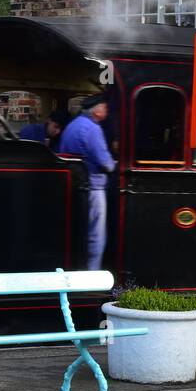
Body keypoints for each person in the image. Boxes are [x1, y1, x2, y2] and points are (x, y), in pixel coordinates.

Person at [58, 94, 117, 270]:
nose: (106, 111)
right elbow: (105, 163)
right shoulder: (92, 129)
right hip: (93, 187)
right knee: (96, 236)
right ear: (97, 110)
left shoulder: (73, 125)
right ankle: (93, 273)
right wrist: (115, 164)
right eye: (105, 107)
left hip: (74, 186)